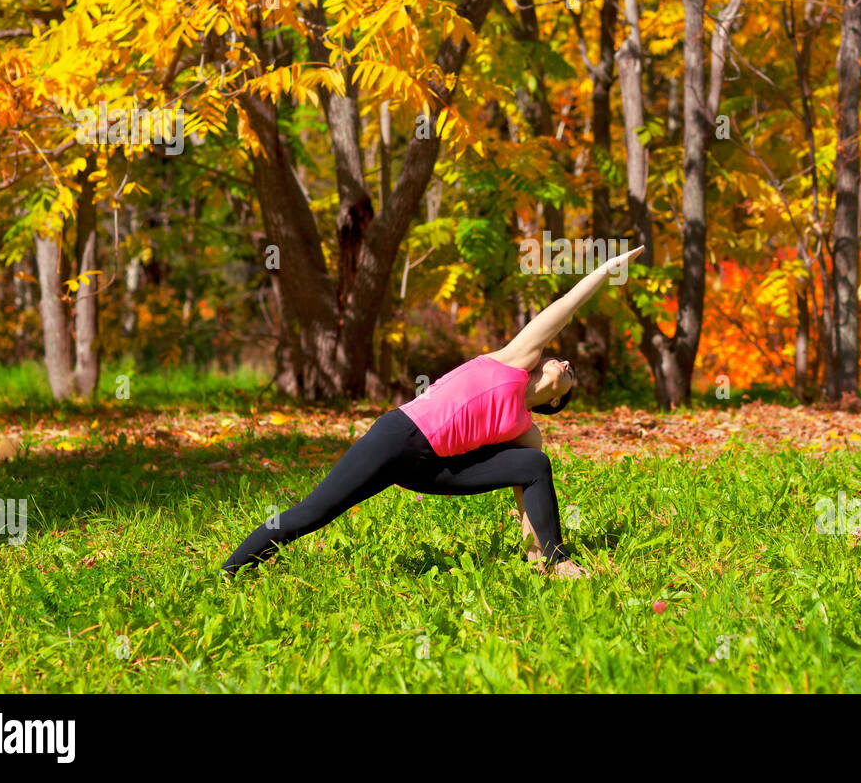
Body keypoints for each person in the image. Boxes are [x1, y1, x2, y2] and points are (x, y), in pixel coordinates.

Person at [221, 243, 646, 581]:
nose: (566, 364)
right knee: (314, 512)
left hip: (435, 468)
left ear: (556, 402)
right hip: (399, 437)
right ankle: (233, 569)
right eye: (563, 361)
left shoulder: (526, 429)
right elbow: (565, 308)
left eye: (571, 376)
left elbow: (527, 497)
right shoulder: (514, 360)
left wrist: (535, 545)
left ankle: (553, 563)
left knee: (534, 463)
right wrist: (607, 270)